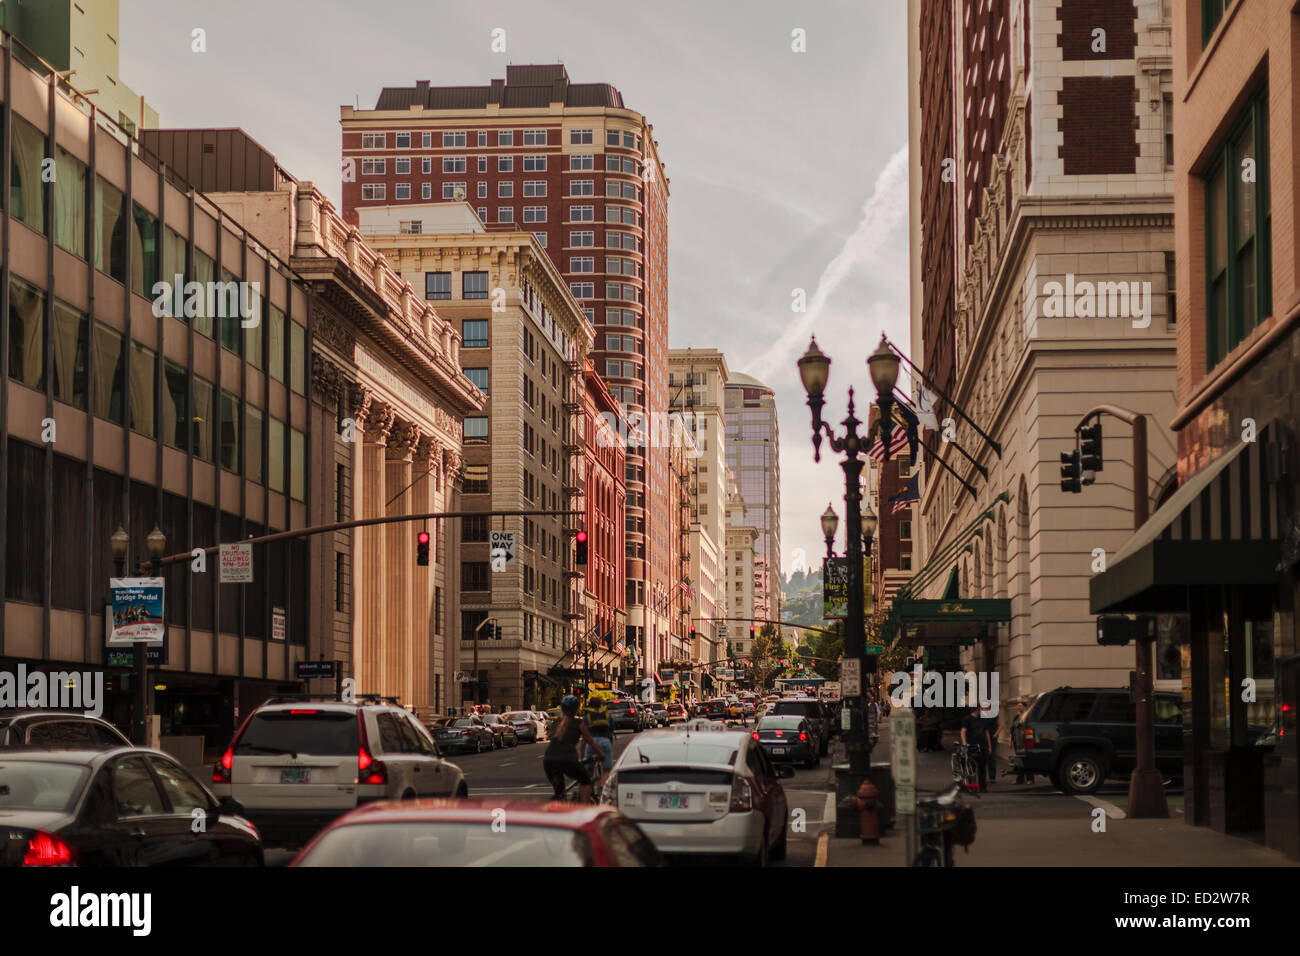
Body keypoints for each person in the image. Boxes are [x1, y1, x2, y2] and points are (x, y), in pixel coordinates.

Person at [543, 695, 606, 802]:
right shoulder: (578, 723)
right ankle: (582, 808)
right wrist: (601, 754)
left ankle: (558, 807)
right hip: (567, 759)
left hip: (549, 760)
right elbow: (589, 740)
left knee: (560, 792)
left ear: (562, 708)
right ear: (576, 709)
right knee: (586, 781)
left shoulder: (557, 722)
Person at [582, 688, 615, 772]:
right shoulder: (607, 716)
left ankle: (589, 781)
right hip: (605, 741)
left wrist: (582, 756)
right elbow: (611, 731)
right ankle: (602, 784)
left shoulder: (586, 718)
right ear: (601, 705)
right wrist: (610, 744)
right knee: (607, 771)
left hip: (591, 743)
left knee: (588, 771)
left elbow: (584, 738)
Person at [959, 705, 990, 792]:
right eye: (982, 709)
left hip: (983, 747)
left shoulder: (983, 719)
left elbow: (986, 733)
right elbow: (963, 732)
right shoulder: (967, 719)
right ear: (977, 709)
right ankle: (972, 787)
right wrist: (965, 744)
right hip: (972, 747)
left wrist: (989, 746)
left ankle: (983, 788)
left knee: (983, 769)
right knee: (971, 769)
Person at [1010, 700, 1035, 784]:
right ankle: (1020, 779)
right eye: (1018, 706)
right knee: (1019, 761)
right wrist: (1010, 741)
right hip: (1017, 742)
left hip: (1025, 742)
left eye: (1020, 706)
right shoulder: (1016, 717)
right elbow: (1012, 730)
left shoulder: (1028, 717)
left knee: (1027, 760)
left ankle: (1030, 779)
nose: (1019, 707)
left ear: (1025, 707)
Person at [982, 703, 1002, 790]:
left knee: (991, 756)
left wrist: (995, 734)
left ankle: (992, 777)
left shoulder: (993, 715)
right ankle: (982, 776)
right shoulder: (981, 715)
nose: (983, 707)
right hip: (983, 737)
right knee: (983, 756)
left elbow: (1001, 726)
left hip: (992, 737)